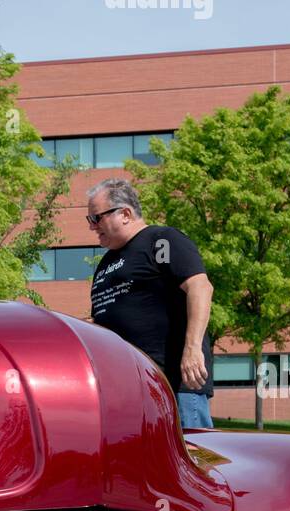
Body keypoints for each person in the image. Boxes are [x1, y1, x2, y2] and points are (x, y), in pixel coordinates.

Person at [86, 178, 214, 428]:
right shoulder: (105, 264)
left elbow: (200, 287)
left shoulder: (162, 239)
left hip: (174, 384)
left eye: (96, 218)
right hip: (131, 392)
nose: (92, 227)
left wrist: (192, 349)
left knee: (190, 461)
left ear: (125, 213)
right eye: (90, 220)